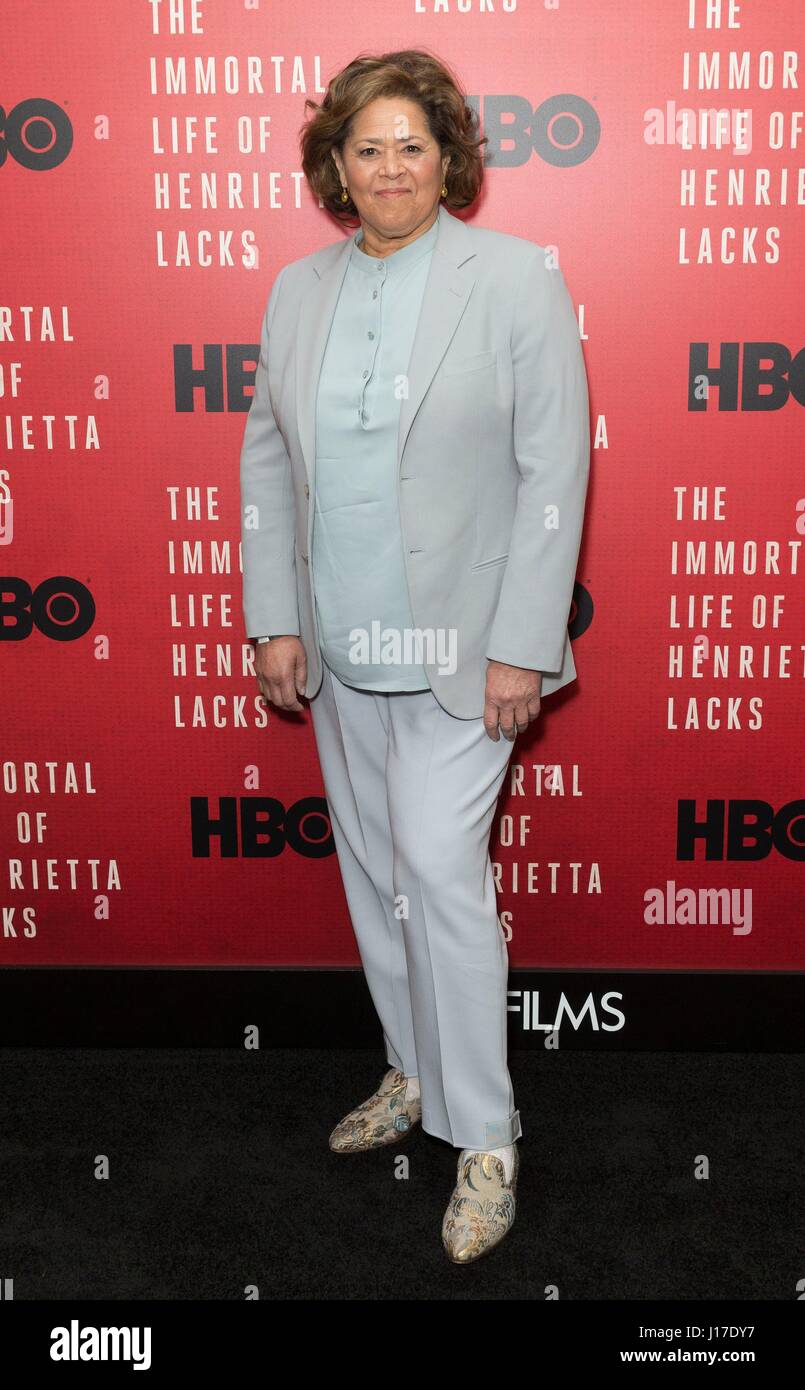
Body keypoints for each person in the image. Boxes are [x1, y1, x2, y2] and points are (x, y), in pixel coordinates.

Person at [239, 48, 590, 1263]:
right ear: (335, 165)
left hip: (463, 653)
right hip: (342, 644)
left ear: (450, 159)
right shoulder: (295, 290)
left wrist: (520, 647)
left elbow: (556, 472)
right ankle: (407, 1071)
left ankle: (484, 1132)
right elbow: (269, 461)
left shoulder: (514, 280)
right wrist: (275, 619)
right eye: (367, 147)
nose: (390, 167)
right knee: (381, 875)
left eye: (412, 145)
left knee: (440, 869)